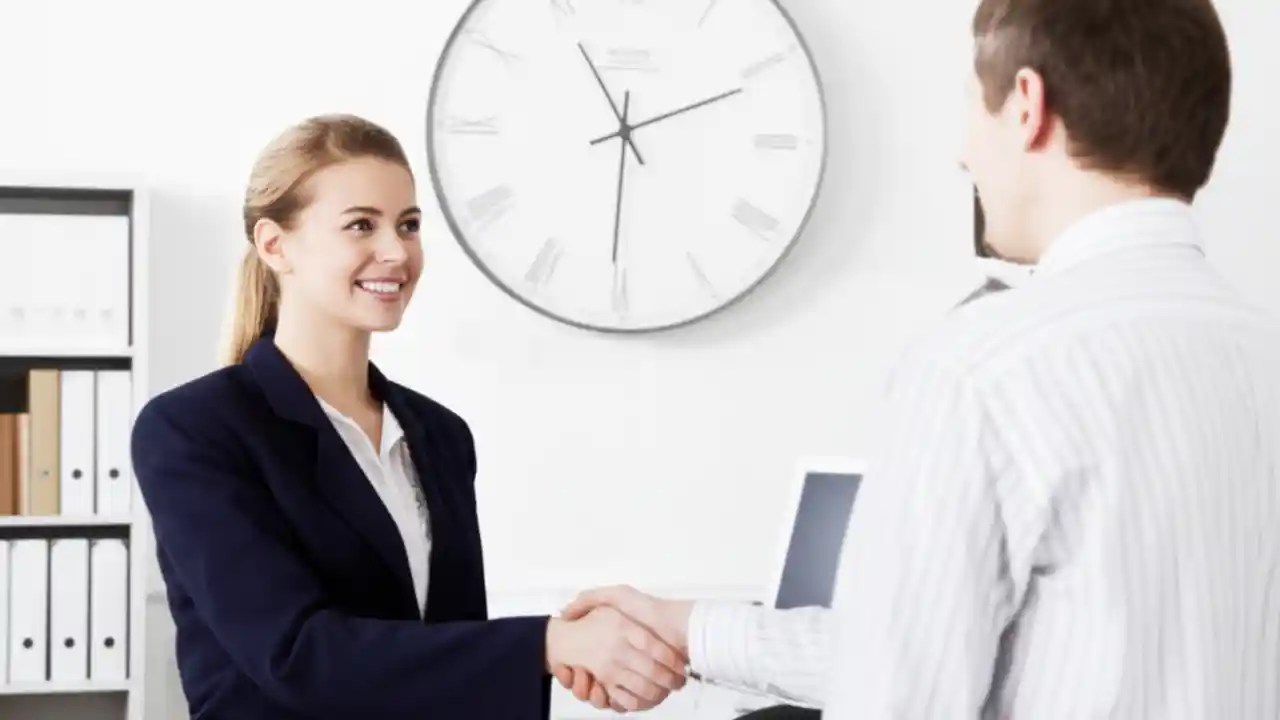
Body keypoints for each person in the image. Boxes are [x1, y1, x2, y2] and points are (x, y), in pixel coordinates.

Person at [560, 0, 1280, 717]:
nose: (964, 152)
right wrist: (694, 629)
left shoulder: (983, 371)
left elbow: (899, 693)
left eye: (975, 104)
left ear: (1027, 105)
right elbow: (988, 643)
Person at [130, 114, 686, 719]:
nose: (396, 252)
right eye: (361, 225)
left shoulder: (439, 435)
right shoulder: (194, 429)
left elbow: (446, 651)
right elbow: (296, 655)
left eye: (409, 225)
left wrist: (570, 660)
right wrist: (545, 644)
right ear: (274, 244)